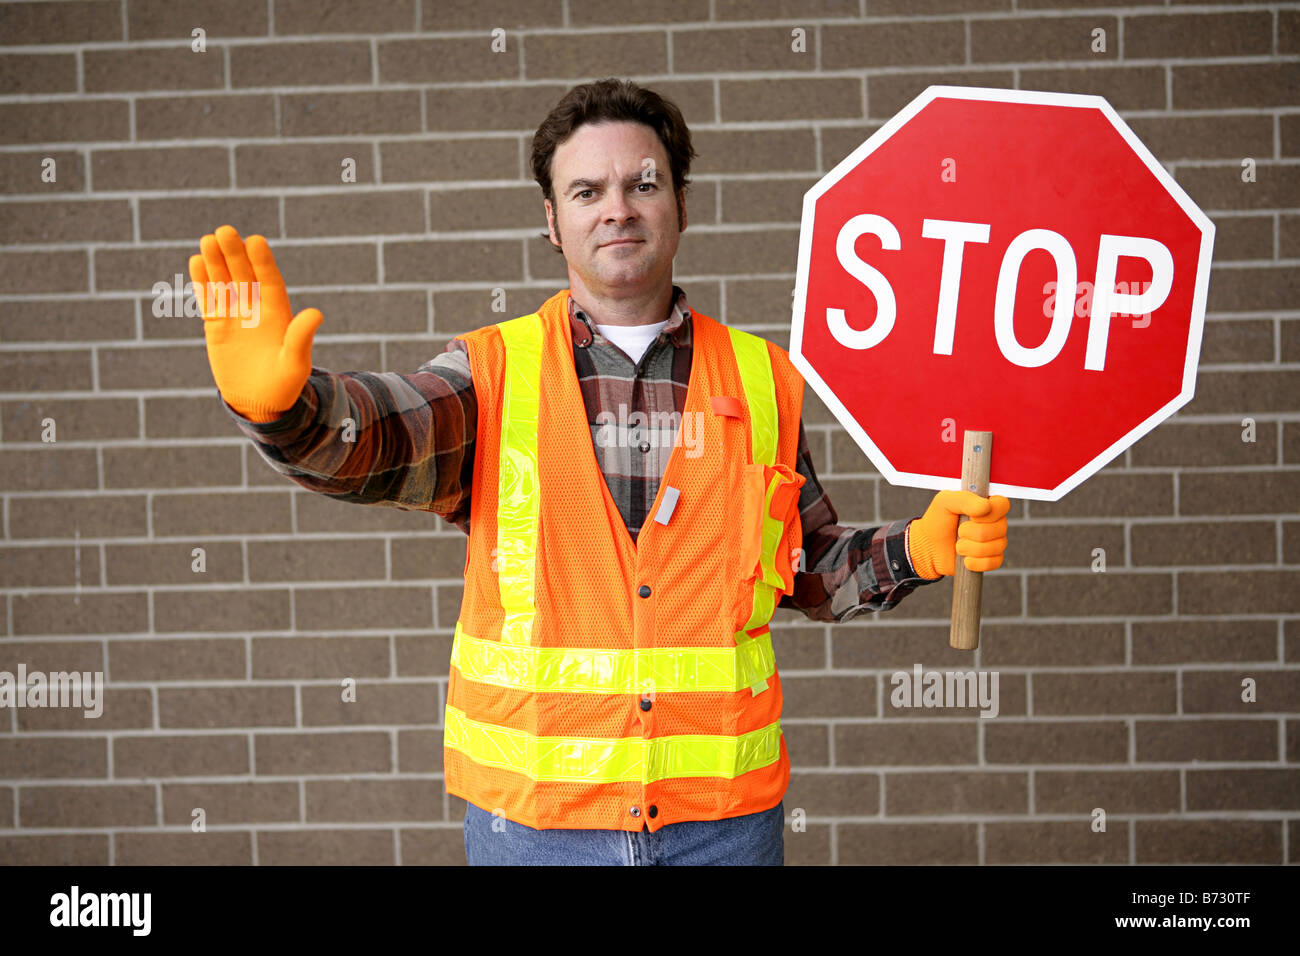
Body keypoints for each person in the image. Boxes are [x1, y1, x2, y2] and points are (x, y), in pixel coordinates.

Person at [188, 77, 1010, 866]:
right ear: (553, 221)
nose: (617, 207)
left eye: (642, 184)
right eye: (586, 192)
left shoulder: (763, 382)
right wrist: (288, 413)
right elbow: (378, 437)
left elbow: (804, 567)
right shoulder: (492, 375)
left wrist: (918, 549)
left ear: (681, 203)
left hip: (722, 830)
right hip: (538, 832)